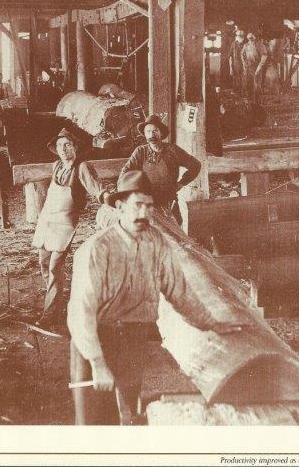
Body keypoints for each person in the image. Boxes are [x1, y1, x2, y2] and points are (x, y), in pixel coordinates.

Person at [67, 171, 242, 425]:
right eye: (137, 205)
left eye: (149, 206)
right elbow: (81, 311)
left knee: (127, 414)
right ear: (119, 206)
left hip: (132, 339)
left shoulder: (157, 243)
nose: (145, 213)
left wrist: (210, 323)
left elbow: (179, 291)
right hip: (94, 339)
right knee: (94, 426)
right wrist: (97, 362)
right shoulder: (97, 248)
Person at [31, 127, 109, 331]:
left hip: (65, 223)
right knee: (44, 263)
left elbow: (97, 189)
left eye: (67, 145)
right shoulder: (56, 165)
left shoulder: (82, 167)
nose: (63, 149)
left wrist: (110, 200)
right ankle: (56, 304)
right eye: (59, 145)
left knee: (56, 267)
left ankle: (50, 314)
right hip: (47, 221)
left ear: (75, 147)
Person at [120, 114, 201, 224]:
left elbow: (195, 165)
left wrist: (182, 183)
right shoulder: (140, 152)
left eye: (155, 131)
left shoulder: (172, 150)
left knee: (175, 231)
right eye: (148, 131)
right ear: (144, 134)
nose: (151, 134)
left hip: (168, 200)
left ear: (161, 133)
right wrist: (125, 194)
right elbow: (125, 172)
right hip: (147, 202)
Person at [241, 32, 269, 104]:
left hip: (257, 67)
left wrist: (259, 67)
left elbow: (264, 56)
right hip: (248, 67)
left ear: (254, 38)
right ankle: (250, 102)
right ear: (248, 39)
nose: (250, 40)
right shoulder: (246, 45)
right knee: (248, 84)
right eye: (249, 38)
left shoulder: (260, 45)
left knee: (257, 85)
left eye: (252, 38)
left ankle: (258, 102)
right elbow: (242, 54)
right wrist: (244, 63)